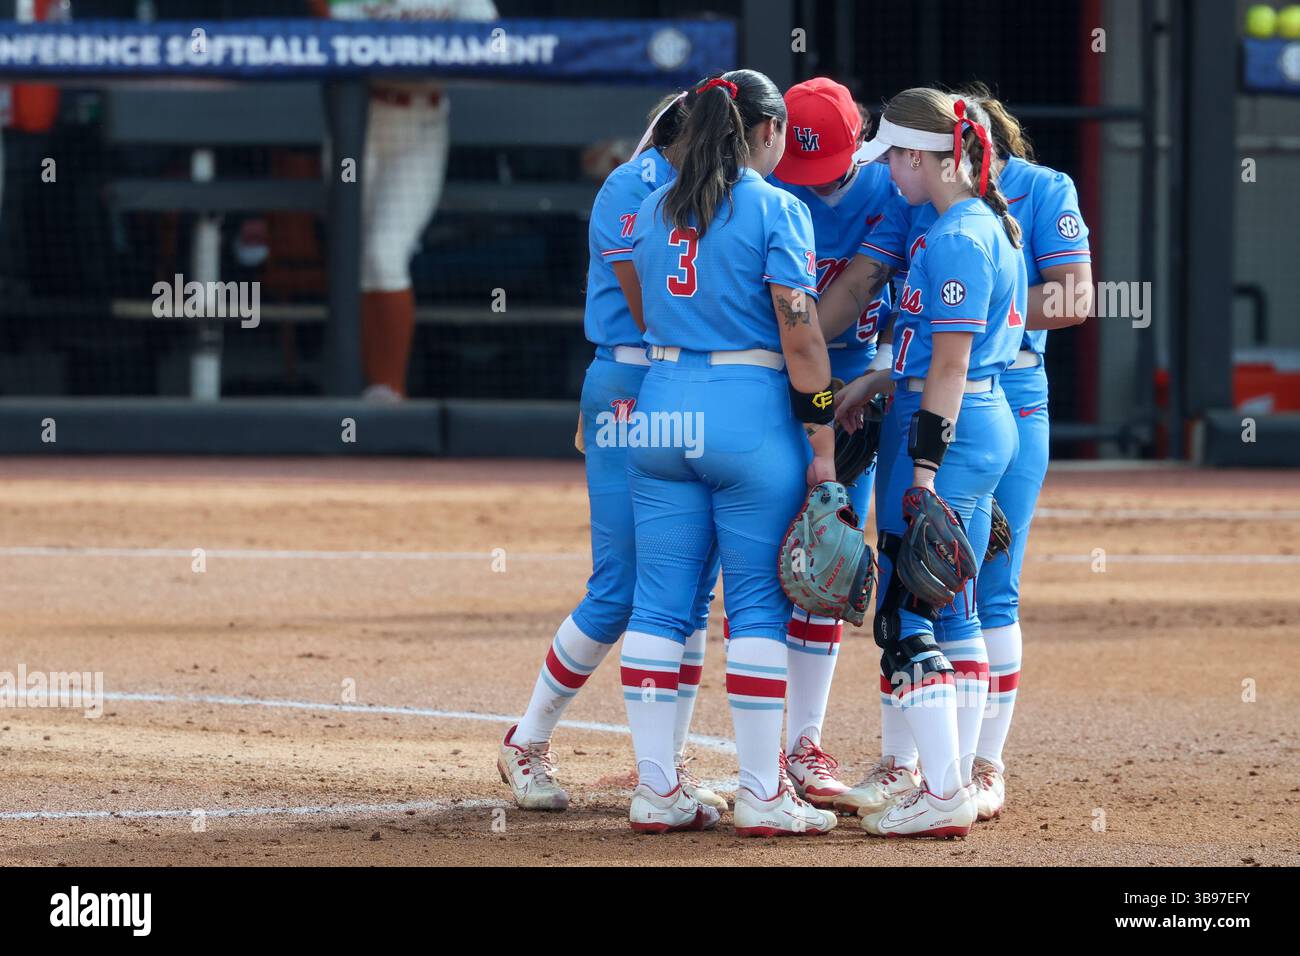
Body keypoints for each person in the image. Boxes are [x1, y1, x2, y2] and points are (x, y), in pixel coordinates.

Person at [620, 69, 838, 836]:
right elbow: (802, 335)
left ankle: (655, 788)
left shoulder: (651, 206)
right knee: (755, 610)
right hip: (747, 413)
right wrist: (822, 438)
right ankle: (761, 793)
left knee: (658, 605)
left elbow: (647, 310)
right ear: (770, 130)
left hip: (661, 404)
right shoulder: (779, 208)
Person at [497, 92, 724, 814]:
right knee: (621, 586)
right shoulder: (634, 184)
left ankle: (665, 766)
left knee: (686, 592)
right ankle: (525, 740)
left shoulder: (714, 187)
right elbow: (654, 303)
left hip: (683, 381)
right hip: (634, 379)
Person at [836, 87, 1026, 838]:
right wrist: (882, 378)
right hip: (974, 415)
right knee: (950, 608)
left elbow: (949, 366)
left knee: (905, 615)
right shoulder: (980, 221)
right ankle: (957, 780)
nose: (890, 175)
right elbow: (947, 358)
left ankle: (942, 790)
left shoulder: (955, 236)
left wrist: (921, 476)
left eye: (896, 160)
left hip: (948, 423)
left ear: (924, 158)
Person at [765, 77, 899, 810]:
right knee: (751, 564)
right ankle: (721, 751)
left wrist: (878, 376)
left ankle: (801, 744)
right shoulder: (757, 187)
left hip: (847, 394)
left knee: (829, 562)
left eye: (830, 168)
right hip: (764, 385)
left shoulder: (892, 189)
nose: (812, 185)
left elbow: (902, 302)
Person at [311, 0, 498, 400]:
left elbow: (494, 39)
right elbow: (333, 27)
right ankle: (352, 391)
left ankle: (388, 392)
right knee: (351, 257)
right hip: (356, 117)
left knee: (384, 254)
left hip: (421, 122)